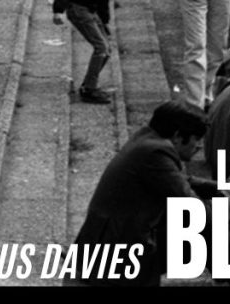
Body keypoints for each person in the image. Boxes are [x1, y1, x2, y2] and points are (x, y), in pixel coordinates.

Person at [71, 100, 217, 286]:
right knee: (213, 227)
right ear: (178, 136)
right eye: (197, 139)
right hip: (118, 256)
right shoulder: (157, 152)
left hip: (108, 244)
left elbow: (180, 181)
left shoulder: (146, 139)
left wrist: (221, 187)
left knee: (213, 226)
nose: (198, 147)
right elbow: (194, 208)